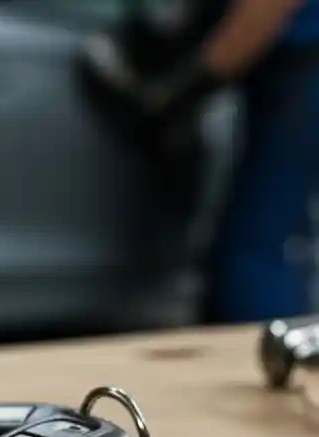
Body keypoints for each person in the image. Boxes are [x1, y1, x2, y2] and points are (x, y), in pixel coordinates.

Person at [129, 0, 319, 322]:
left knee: (258, 243)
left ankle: (272, 352)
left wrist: (196, 81)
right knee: (262, 237)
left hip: (298, 60)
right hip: (283, 58)